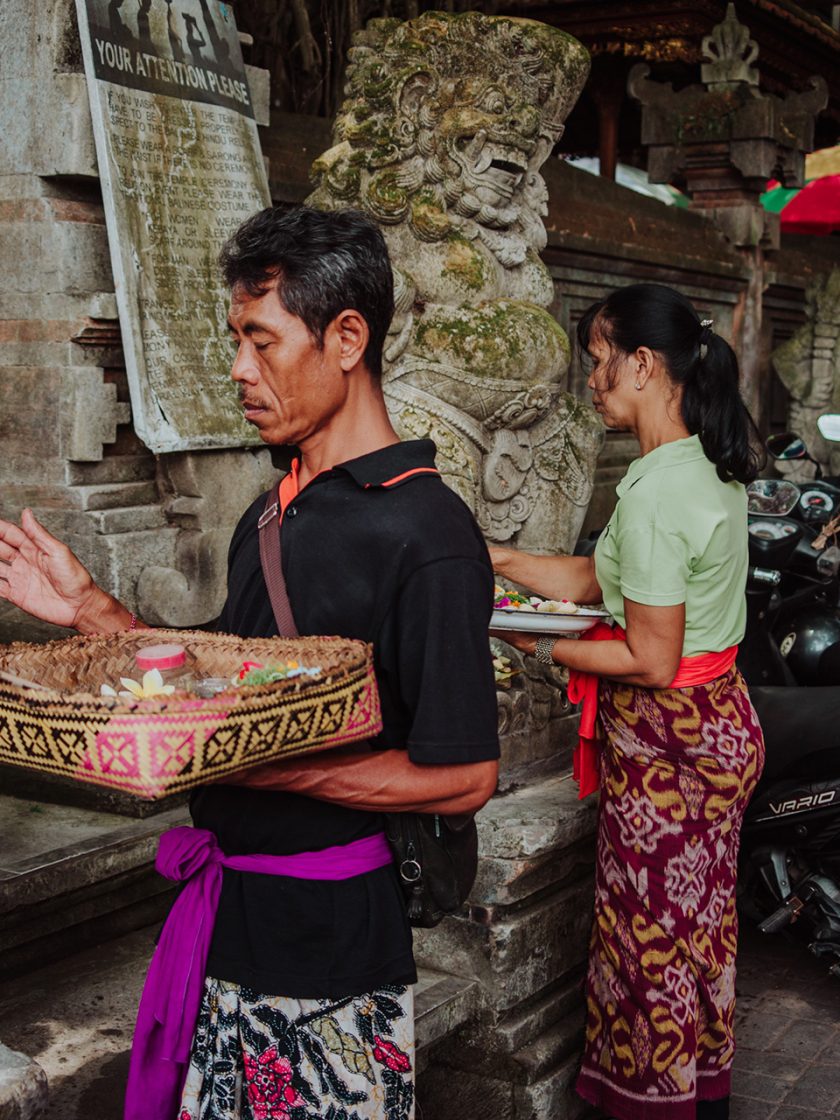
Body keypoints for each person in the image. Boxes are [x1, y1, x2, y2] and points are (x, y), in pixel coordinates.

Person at [0, 206, 500, 1120]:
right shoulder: (271, 512)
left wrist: (271, 765)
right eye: (238, 341)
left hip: (332, 946)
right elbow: (222, 678)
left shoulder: (428, 534)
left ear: (346, 339)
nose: (238, 368)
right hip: (229, 920)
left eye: (261, 341)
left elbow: (465, 776)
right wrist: (92, 613)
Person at [489, 283, 765, 1120]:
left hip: (671, 748)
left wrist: (529, 641)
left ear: (642, 364)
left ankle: (653, 1104)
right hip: (719, 725)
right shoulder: (705, 470)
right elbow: (598, 579)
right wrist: (496, 558)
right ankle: (702, 1095)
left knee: (647, 950)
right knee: (698, 933)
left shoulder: (655, 494)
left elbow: (647, 656)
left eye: (599, 361)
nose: (592, 381)